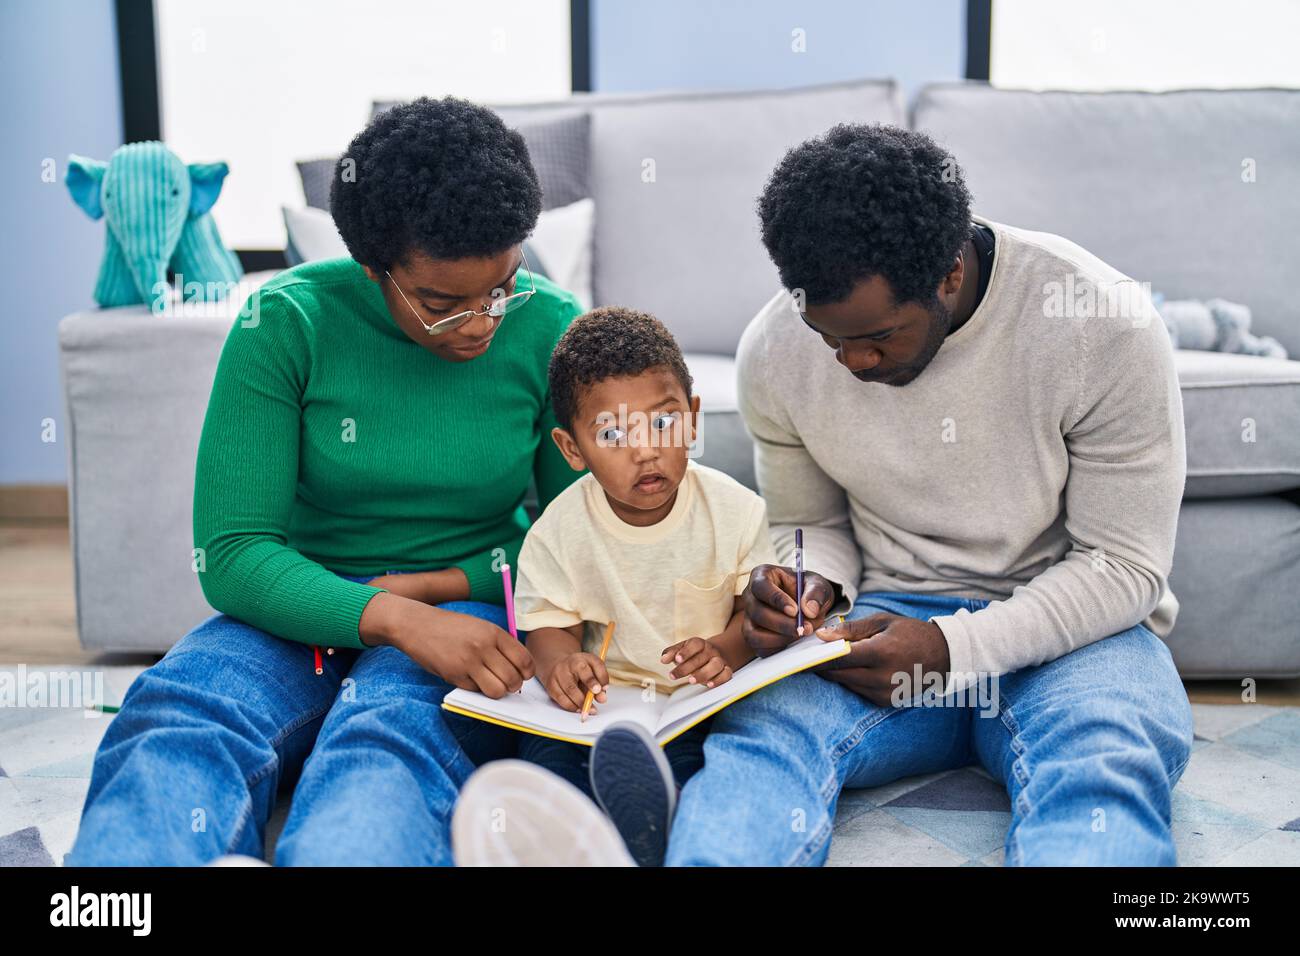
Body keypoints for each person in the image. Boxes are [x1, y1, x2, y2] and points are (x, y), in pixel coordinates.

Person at [67, 96, 584, 866]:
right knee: (180, 715)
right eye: (443, 305)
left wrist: (440, 590)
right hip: (294, 604)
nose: (482, 322)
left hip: (469, 604)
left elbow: (569, 538)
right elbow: (236, 551)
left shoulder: (548, 327)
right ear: (374, 269)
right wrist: (392, 616)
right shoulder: (283, 323)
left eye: (501, 287)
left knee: (388, 741)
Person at [510, 307, 777, 865]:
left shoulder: (735, 512)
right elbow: (549, 629)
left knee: (726, 751)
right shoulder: (558, 532)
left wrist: (721, 651)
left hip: (696, 706)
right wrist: (563, 666)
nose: (646, 449)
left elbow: (751, 617)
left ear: (694, 418)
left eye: (664, 422)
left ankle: (653, 817)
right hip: (603, 710)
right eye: (613, 433)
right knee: (541, 753)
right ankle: (574, 824)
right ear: (572, 449)